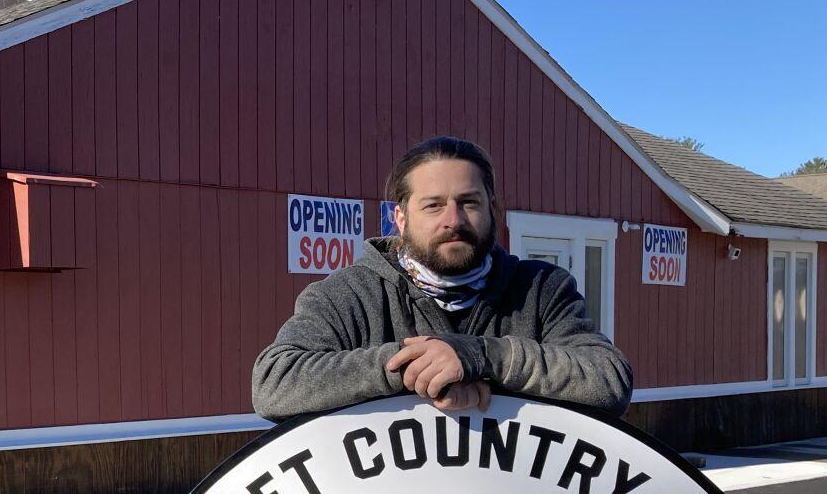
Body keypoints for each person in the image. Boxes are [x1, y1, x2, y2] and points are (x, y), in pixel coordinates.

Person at [251, 136, 632, 421]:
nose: (453, 220)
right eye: (433, 205)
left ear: (493, 210)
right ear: (401, 219)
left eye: (469, 202)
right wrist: (415, 366)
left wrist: (481, 356)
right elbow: (274, 384)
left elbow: (607, 380)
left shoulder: (542, 289)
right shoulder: (348, 294)